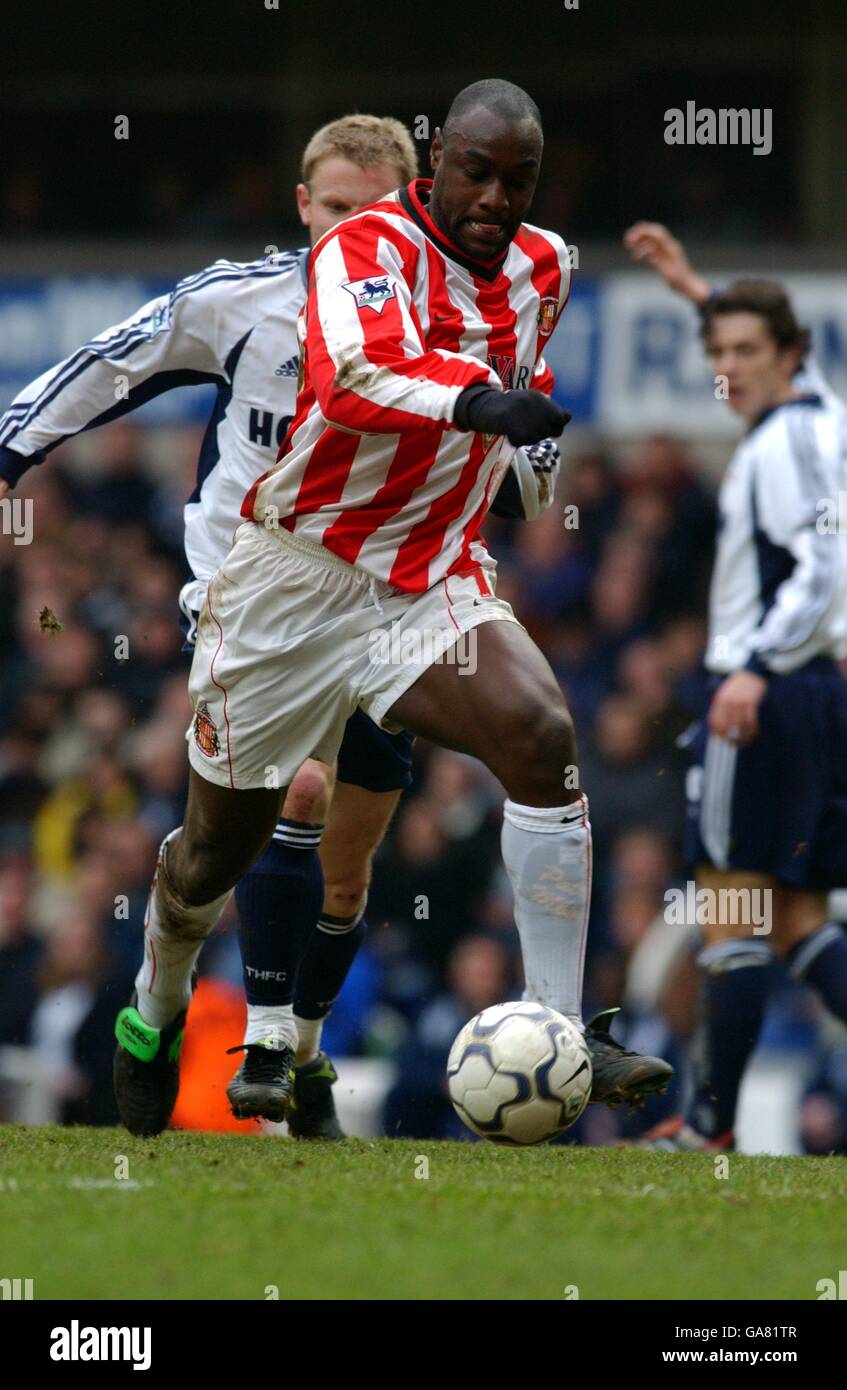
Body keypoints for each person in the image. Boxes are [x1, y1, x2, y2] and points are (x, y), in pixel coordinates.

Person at [110, 78, 673, 1139]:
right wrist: (474, 402)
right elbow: (356, 374)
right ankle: (156, 1004)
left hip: (425, 577)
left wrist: (530, 459)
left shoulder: (547, 265)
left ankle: (563, 1023)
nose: (496, 198)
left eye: (519, 180)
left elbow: (527, 404)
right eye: (477, 172)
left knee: (541, 734)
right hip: (292, 577)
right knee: (211, 855)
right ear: (436, 165)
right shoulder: (361, 250)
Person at [0, 114, 564, 1137]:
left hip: (391, 594)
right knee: (260, 816)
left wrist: (526, 465)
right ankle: (185, 1015)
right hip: (255, 593)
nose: (352, 228)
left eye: (371, 208)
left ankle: (297, 1055)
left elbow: (517, 468)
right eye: (332, 208)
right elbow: (107, 362)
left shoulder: (451, 306)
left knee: (349, 864)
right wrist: (10, 451)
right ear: (304, 207)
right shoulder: (240, 302)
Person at [624, 222, 847, 1150]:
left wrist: (752, 669)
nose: (727, 365)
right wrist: (690, 287)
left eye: (745, 351)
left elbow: (825, 560)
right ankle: (709, 1125)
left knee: (732, 906)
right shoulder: (820, 414)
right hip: (815, 693)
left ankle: (709, 1127)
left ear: (790, 353)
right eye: (716, 351)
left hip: (762, 692)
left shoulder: (783, 447)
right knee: (794, 915)